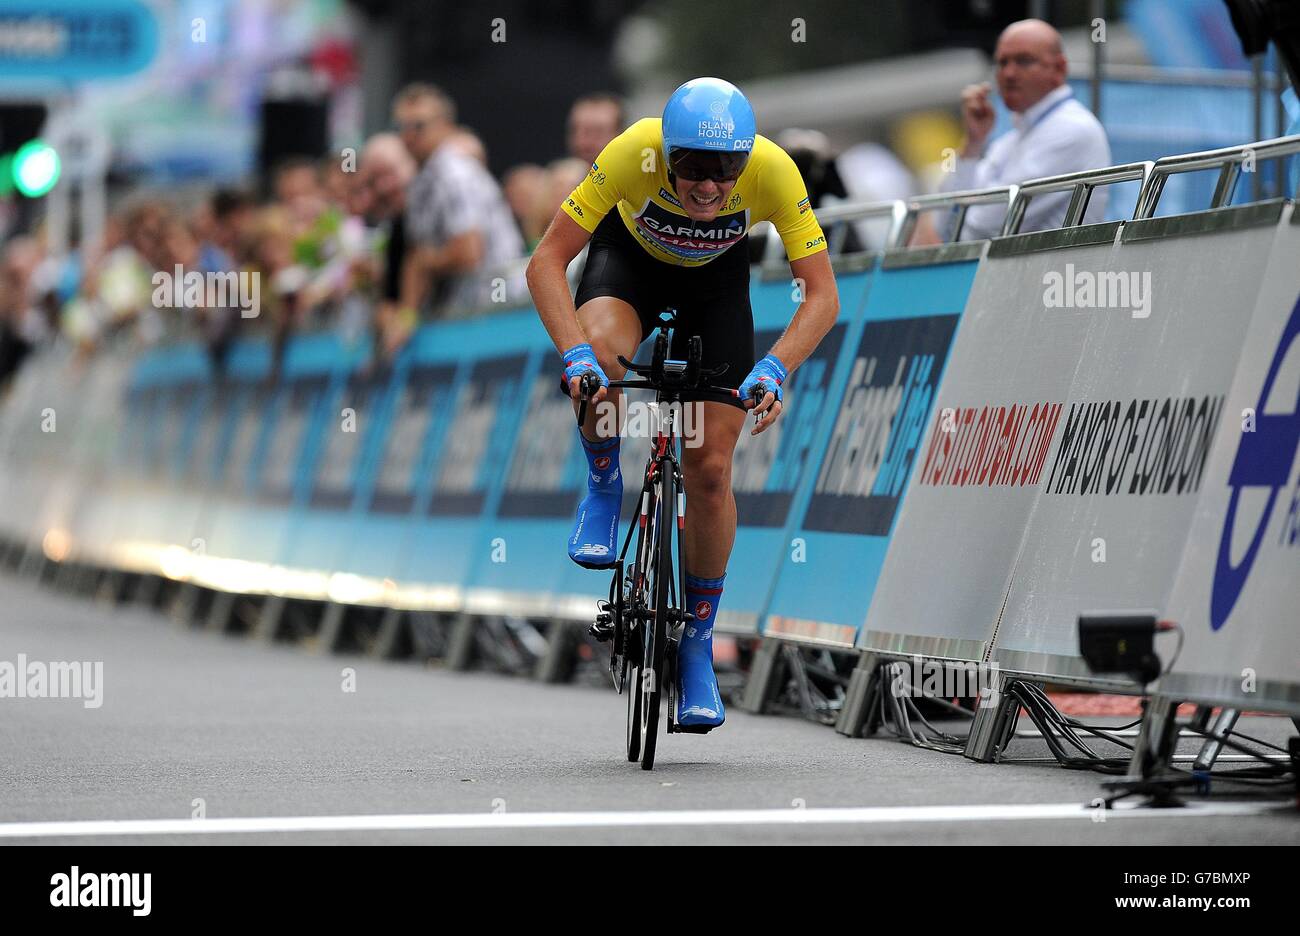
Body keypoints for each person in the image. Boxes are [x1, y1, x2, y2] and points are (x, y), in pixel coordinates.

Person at [526, 77, 839, 731]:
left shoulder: (774, 171)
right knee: (605, 359)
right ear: (665, 155)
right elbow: (547, 262)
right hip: (627, 265)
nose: (707, 186)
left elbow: (822, 295)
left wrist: (776, 368)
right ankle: (605, 483)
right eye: (692, 168)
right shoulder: (629, 152)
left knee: (712, 469)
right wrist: (574, 354)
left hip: (715, 288)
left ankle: (696, 645)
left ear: (745, 159)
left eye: (724, 171)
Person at [942, 18, 1111, 239]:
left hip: (1056, 273)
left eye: (1024, 61)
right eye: (1002, 62)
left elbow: (982, 229)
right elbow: (944, 219)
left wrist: (956, 224)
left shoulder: (1071, 129)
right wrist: (973, 142)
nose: (1009, 74)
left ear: (1059, 68)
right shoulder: (1009, 140)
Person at [392, 83, 522, 329]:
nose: (408, 135)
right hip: (465, 312)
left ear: (445, 127)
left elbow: (468, 253)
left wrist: (424, 263)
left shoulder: (455, 175)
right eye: (400, 127)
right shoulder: (420, 181)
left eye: (418, 126)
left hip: (497, 312)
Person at [566, 92, 624, 167]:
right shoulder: (554, 175)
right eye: (583, 132)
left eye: (598, 132)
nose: (587, 143)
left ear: (619, 134)